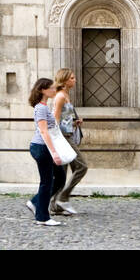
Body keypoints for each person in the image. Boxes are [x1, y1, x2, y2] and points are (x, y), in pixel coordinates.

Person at [49, 67, 87, 216]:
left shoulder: (66, 95)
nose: (74, 80)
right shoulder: (59, 97)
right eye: (72, 78)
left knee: (62, 174)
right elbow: (55, 119)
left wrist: (75, 122)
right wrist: (56, 141)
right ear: (64, 80)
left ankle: (55, 206)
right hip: (63, 138)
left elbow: (65, 118)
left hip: (68, 135)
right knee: (82, 166)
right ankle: (63, 197)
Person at [27, 77, 63, 226]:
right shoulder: (41, 108)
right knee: (46, 182)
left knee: (60, 177)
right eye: (52, 88)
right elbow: (44, 132)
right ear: (43, 90)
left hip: (44, 147)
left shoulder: (44, 106)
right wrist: (54, 152)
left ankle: (35, 202)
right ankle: (42, 217)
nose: (54, 90)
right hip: (42, 147)